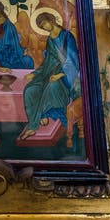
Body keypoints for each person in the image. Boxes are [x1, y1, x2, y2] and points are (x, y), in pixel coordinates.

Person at [21, 12, 81, 140]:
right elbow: (47, 60)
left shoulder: (66, 36)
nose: (45, 28)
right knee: (30, 90)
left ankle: (34, 124)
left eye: (45, 24)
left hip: (66, 75)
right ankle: (38, 118)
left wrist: (60, 75)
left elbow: (73, 59)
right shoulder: (49, 40)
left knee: (51, 86)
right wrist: (35, 73)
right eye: (42, 27)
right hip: (49, 71)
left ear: (51, 20)